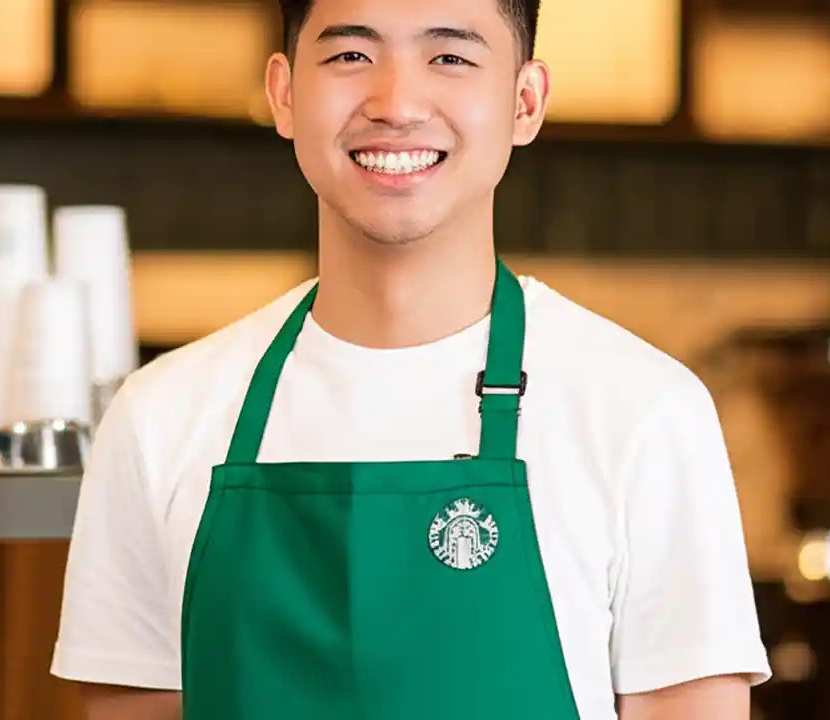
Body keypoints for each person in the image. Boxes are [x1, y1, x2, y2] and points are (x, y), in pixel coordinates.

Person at [50, 0, 772, 717]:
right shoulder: (158, 418)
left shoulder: (645, 413)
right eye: (350, 56)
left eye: (450, 57)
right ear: (284, 94)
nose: (396, 102)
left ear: (525, 101)